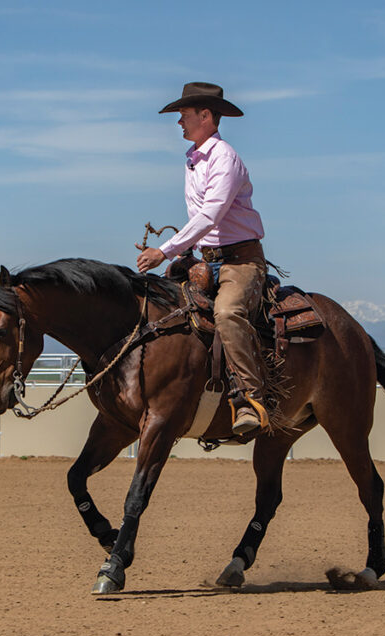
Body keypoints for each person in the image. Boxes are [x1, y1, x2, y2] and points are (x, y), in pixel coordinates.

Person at [136, 82, 269, 436]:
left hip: (240, 261)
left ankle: (249, 400)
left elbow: (210, 215)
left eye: (184, 115)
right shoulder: (194, 159)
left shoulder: (224, 158)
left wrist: (165, 250)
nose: (179, 122)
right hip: (204, 258)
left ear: (206, 116)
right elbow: (204, 222)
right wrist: (184, 256)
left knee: (227, 313)